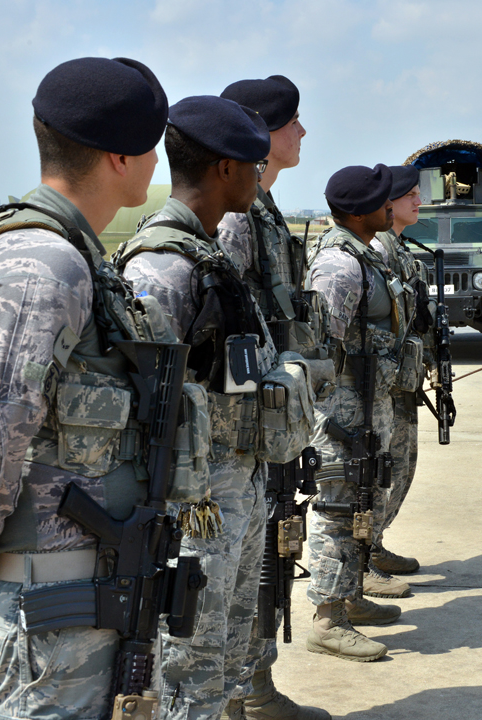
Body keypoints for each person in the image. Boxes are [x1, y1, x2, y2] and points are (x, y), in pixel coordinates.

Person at [0, 57, 170, 719]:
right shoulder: (46, 267)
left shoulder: (71, 253)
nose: (159, 162)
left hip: (75, 608)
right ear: (121, 157)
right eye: (152, 146)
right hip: (42, 622)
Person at [114, 95, 324, 719]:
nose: (261, 178)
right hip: (195, 504)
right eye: (253, 166)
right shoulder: (163, 266)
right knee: (189, 666)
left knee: (226, 659)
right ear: (226, 168)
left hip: (237, 481)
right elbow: (142, 406)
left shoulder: (206, 254)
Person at [214, 76, 333, 719]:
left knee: (268, 558)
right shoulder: (238, 219)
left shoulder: (264, 210)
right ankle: (241, 696)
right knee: (242, 571)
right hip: (242, 424)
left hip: (271, 418)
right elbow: (227, 326)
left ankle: (253, 688)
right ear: (259, 132)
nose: (302, 132)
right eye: (292, 122)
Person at [304, 164, 415, 661]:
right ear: (355, 211)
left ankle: (350, 597)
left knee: (361, 504)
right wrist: (327, 415)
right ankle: (327, 619)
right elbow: (317, 347)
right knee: (336, 510)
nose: (389, 207)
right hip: (342, 412)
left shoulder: (365, 256)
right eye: (380, 201)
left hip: (369, 404)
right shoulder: (339, 266)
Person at [367, 165, 432, 594]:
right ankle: (362, 554)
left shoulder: (400, 248)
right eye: (410, 195)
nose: (418, 201)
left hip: (403, 381)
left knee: (402, 466)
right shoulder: (379, 249)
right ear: (388, 201)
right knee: (381, 471)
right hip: (385, 385)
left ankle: (374, 543)